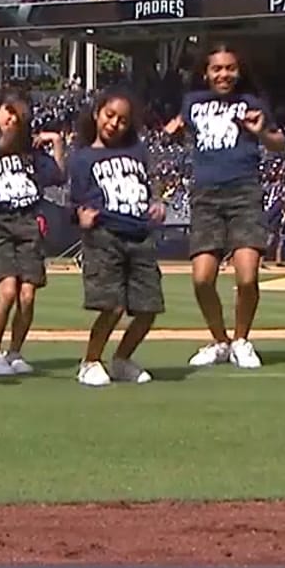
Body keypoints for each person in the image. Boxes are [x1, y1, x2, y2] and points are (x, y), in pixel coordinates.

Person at [164, 44, 285, 371]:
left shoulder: (252, 104)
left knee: (247, 277)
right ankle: (220, 340)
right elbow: (176, 132)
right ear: (205, 73)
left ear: (239, 71)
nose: (224, 75)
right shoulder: (192, 103)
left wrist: (261, 132)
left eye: (230, 68)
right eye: (217, 69)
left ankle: (242, 340)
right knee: (202, 278)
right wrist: (172, 132)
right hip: (205, 196)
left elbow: (279, 144)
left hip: (244, 192)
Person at [68, 88, 166, 387]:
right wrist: (79, 217)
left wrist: (158, 202)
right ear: (97, 114)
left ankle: (122, 359)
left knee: (148, 308)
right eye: (110, 115)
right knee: (112, 306)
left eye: (122, 120)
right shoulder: (83, 158)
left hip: (139, 235)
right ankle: (91, 361)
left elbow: (153, 183)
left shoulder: (138, 151)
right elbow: (74, 202)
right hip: (104, 236)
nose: (114, 123)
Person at [0, 89, 66, 377]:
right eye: (8, 111)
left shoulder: (30, 150)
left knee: (27, 295)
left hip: (27, 222)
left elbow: (58, 175)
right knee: (8, 290)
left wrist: (56, 142)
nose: (12, 118)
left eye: (18, 113)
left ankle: (15, 353)